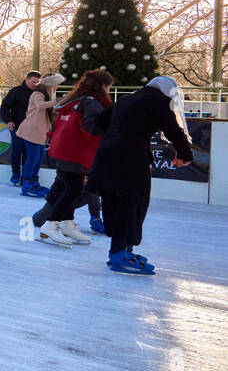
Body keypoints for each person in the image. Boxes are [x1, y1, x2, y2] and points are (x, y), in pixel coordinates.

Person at [87, 76, 194, 274]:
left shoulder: (128, 99)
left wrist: (119, 135)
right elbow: (173, 130)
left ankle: (119, 251)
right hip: (130, 161)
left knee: (114, 202)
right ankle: (120, 254)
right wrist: (185, 154)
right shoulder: (159, 102)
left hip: (106, 156)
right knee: (132, 203)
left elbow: (100, 120)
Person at [31, 69, 112, 247]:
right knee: (74, 190)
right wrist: (107, 135)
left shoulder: (76, 101)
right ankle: (51, 225)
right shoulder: (91, 104)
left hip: (61, 151)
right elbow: (91, 127)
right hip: (73, 153)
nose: (108, 91)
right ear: (102, 86)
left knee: (71, 188)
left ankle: (67, 224)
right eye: (108, 87)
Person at [12, 73, 62, 198]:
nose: (58, 86)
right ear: (50, 84)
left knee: (39, 158)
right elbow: (40, 106)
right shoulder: (37, 94)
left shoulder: (47, 95)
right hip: (31, 130)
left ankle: (33, 182)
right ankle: (27, 184)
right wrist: (57, 101)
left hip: (39, 132)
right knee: (33, 157)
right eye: (56, 84)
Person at [0, 71, 41, 187]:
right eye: (33, 82)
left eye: (37, 82)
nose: (35, 84)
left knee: (29, 153)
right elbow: (4, 107)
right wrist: (8, 121)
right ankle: (15, 173)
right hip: (17, 126)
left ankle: (26, 177)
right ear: (26, 79)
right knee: (17, 151)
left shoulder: (38, 92)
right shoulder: (16, 91)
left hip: (33, 128)